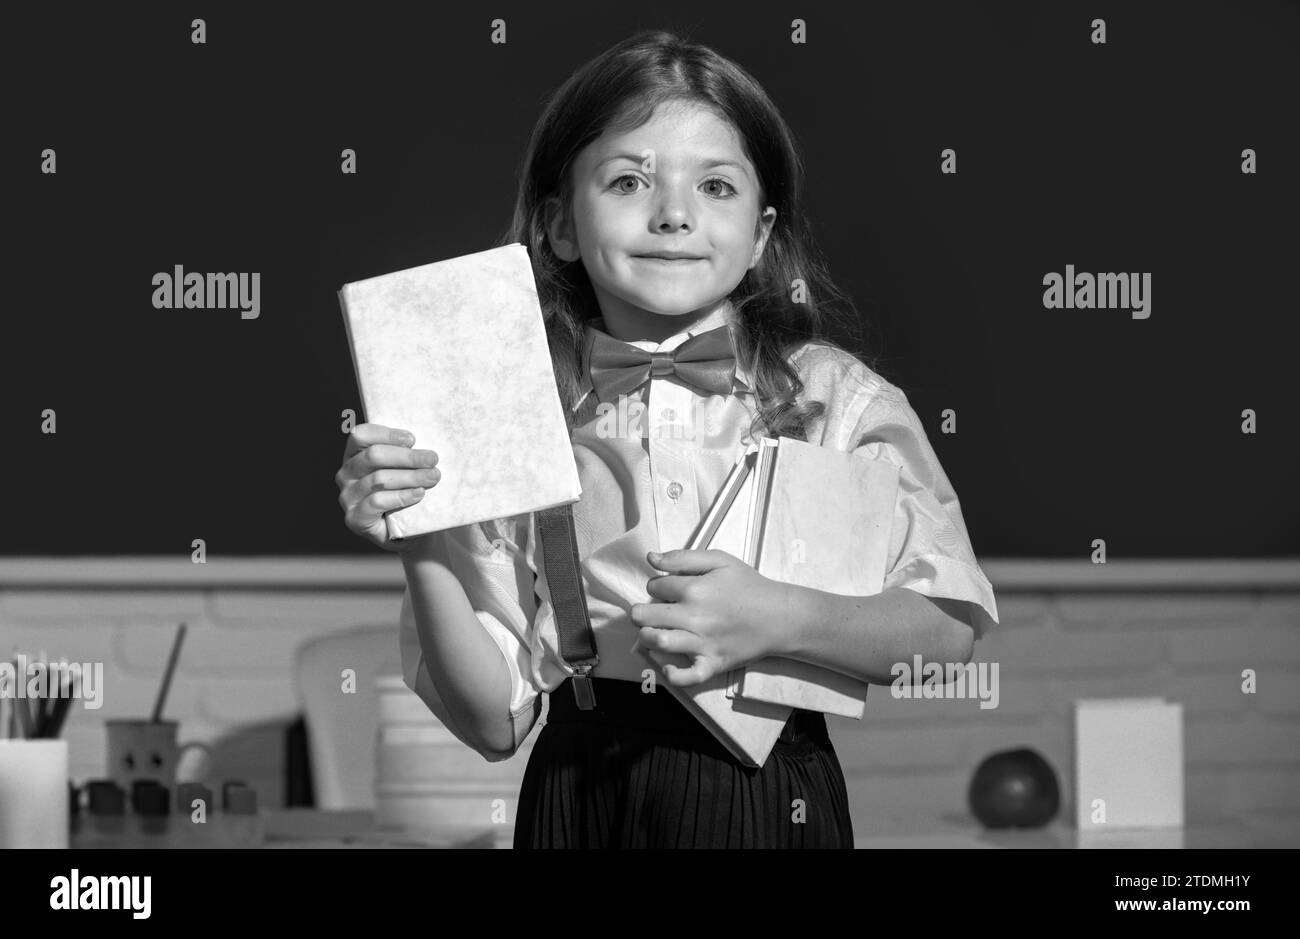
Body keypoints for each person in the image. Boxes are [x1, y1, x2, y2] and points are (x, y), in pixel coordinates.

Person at [335, 29, 999, 848]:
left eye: (715, 185)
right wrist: (423, 538)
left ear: (761, 234)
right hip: (579, 800)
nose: (675, 214)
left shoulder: (838, 400)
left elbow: (946, 635)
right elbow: (490, 722)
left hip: (772, 800)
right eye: (627, 181)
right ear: (559, 225)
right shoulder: (510, 417)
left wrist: (783, 617)